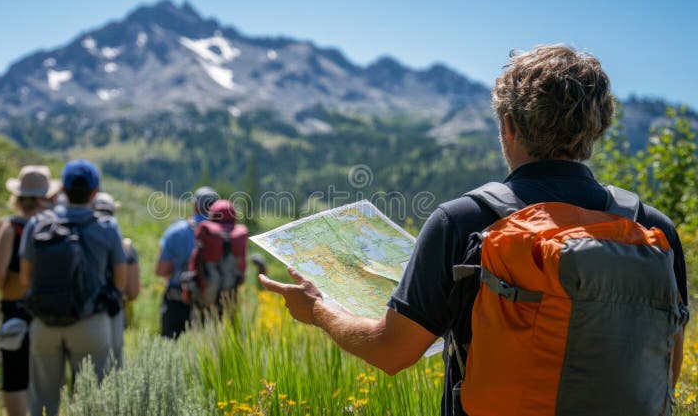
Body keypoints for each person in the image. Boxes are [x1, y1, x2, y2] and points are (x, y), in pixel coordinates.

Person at [260, 45, 688, 415]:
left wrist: (316, 309)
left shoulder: (463, 221)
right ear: (599, 128)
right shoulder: (651, 228)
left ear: (508, 128)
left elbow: (390, 351)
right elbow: (666, 368)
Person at [19, 159, 127, 416]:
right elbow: (120, 284)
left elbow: (26, 280)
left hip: (44, 323)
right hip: (90, 323)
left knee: (43, 403)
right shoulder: (107, 227)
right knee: (93, 403)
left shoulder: (38, 223)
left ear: (63, 190)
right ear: (95, 191)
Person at [0, 165, 59, 416]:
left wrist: (3, 285)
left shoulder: (10, 227)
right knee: (45, 378)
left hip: (15, 309)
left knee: (15, 376)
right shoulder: (55, 225)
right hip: (50, 311)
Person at [155, 186, 219, 338]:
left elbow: (161, 270)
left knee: (171, 349)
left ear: (195, 206)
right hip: (212, 302)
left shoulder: (177, 231)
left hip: (178, 300)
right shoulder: (222, 233)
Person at [94, 191, 141, 367]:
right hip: (112, 311)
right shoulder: (126, 247)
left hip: (82, 313)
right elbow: (133, 292)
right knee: (113, 367)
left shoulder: (78, 239)